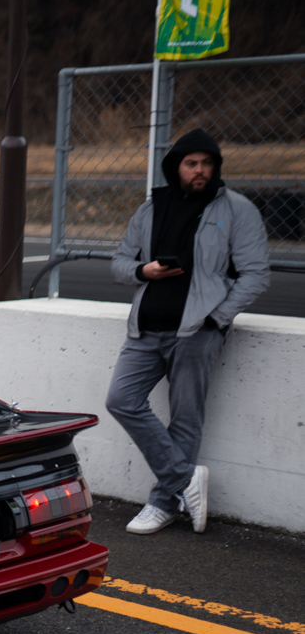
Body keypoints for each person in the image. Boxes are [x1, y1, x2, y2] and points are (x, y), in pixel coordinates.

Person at [105, 128, 271, 535]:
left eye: (207, 163)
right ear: (175, 167)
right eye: (191, 163)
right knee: (121, 400)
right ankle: (184, 477)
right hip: (145, 328)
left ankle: (163, 503)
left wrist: (217, 318)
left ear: (216, 167)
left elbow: (255, 274)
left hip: (197, 329)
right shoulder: (152, 209)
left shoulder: (237, 210)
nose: (200, 170)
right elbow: (119, 263)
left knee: (186, 417)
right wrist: (144, 270)